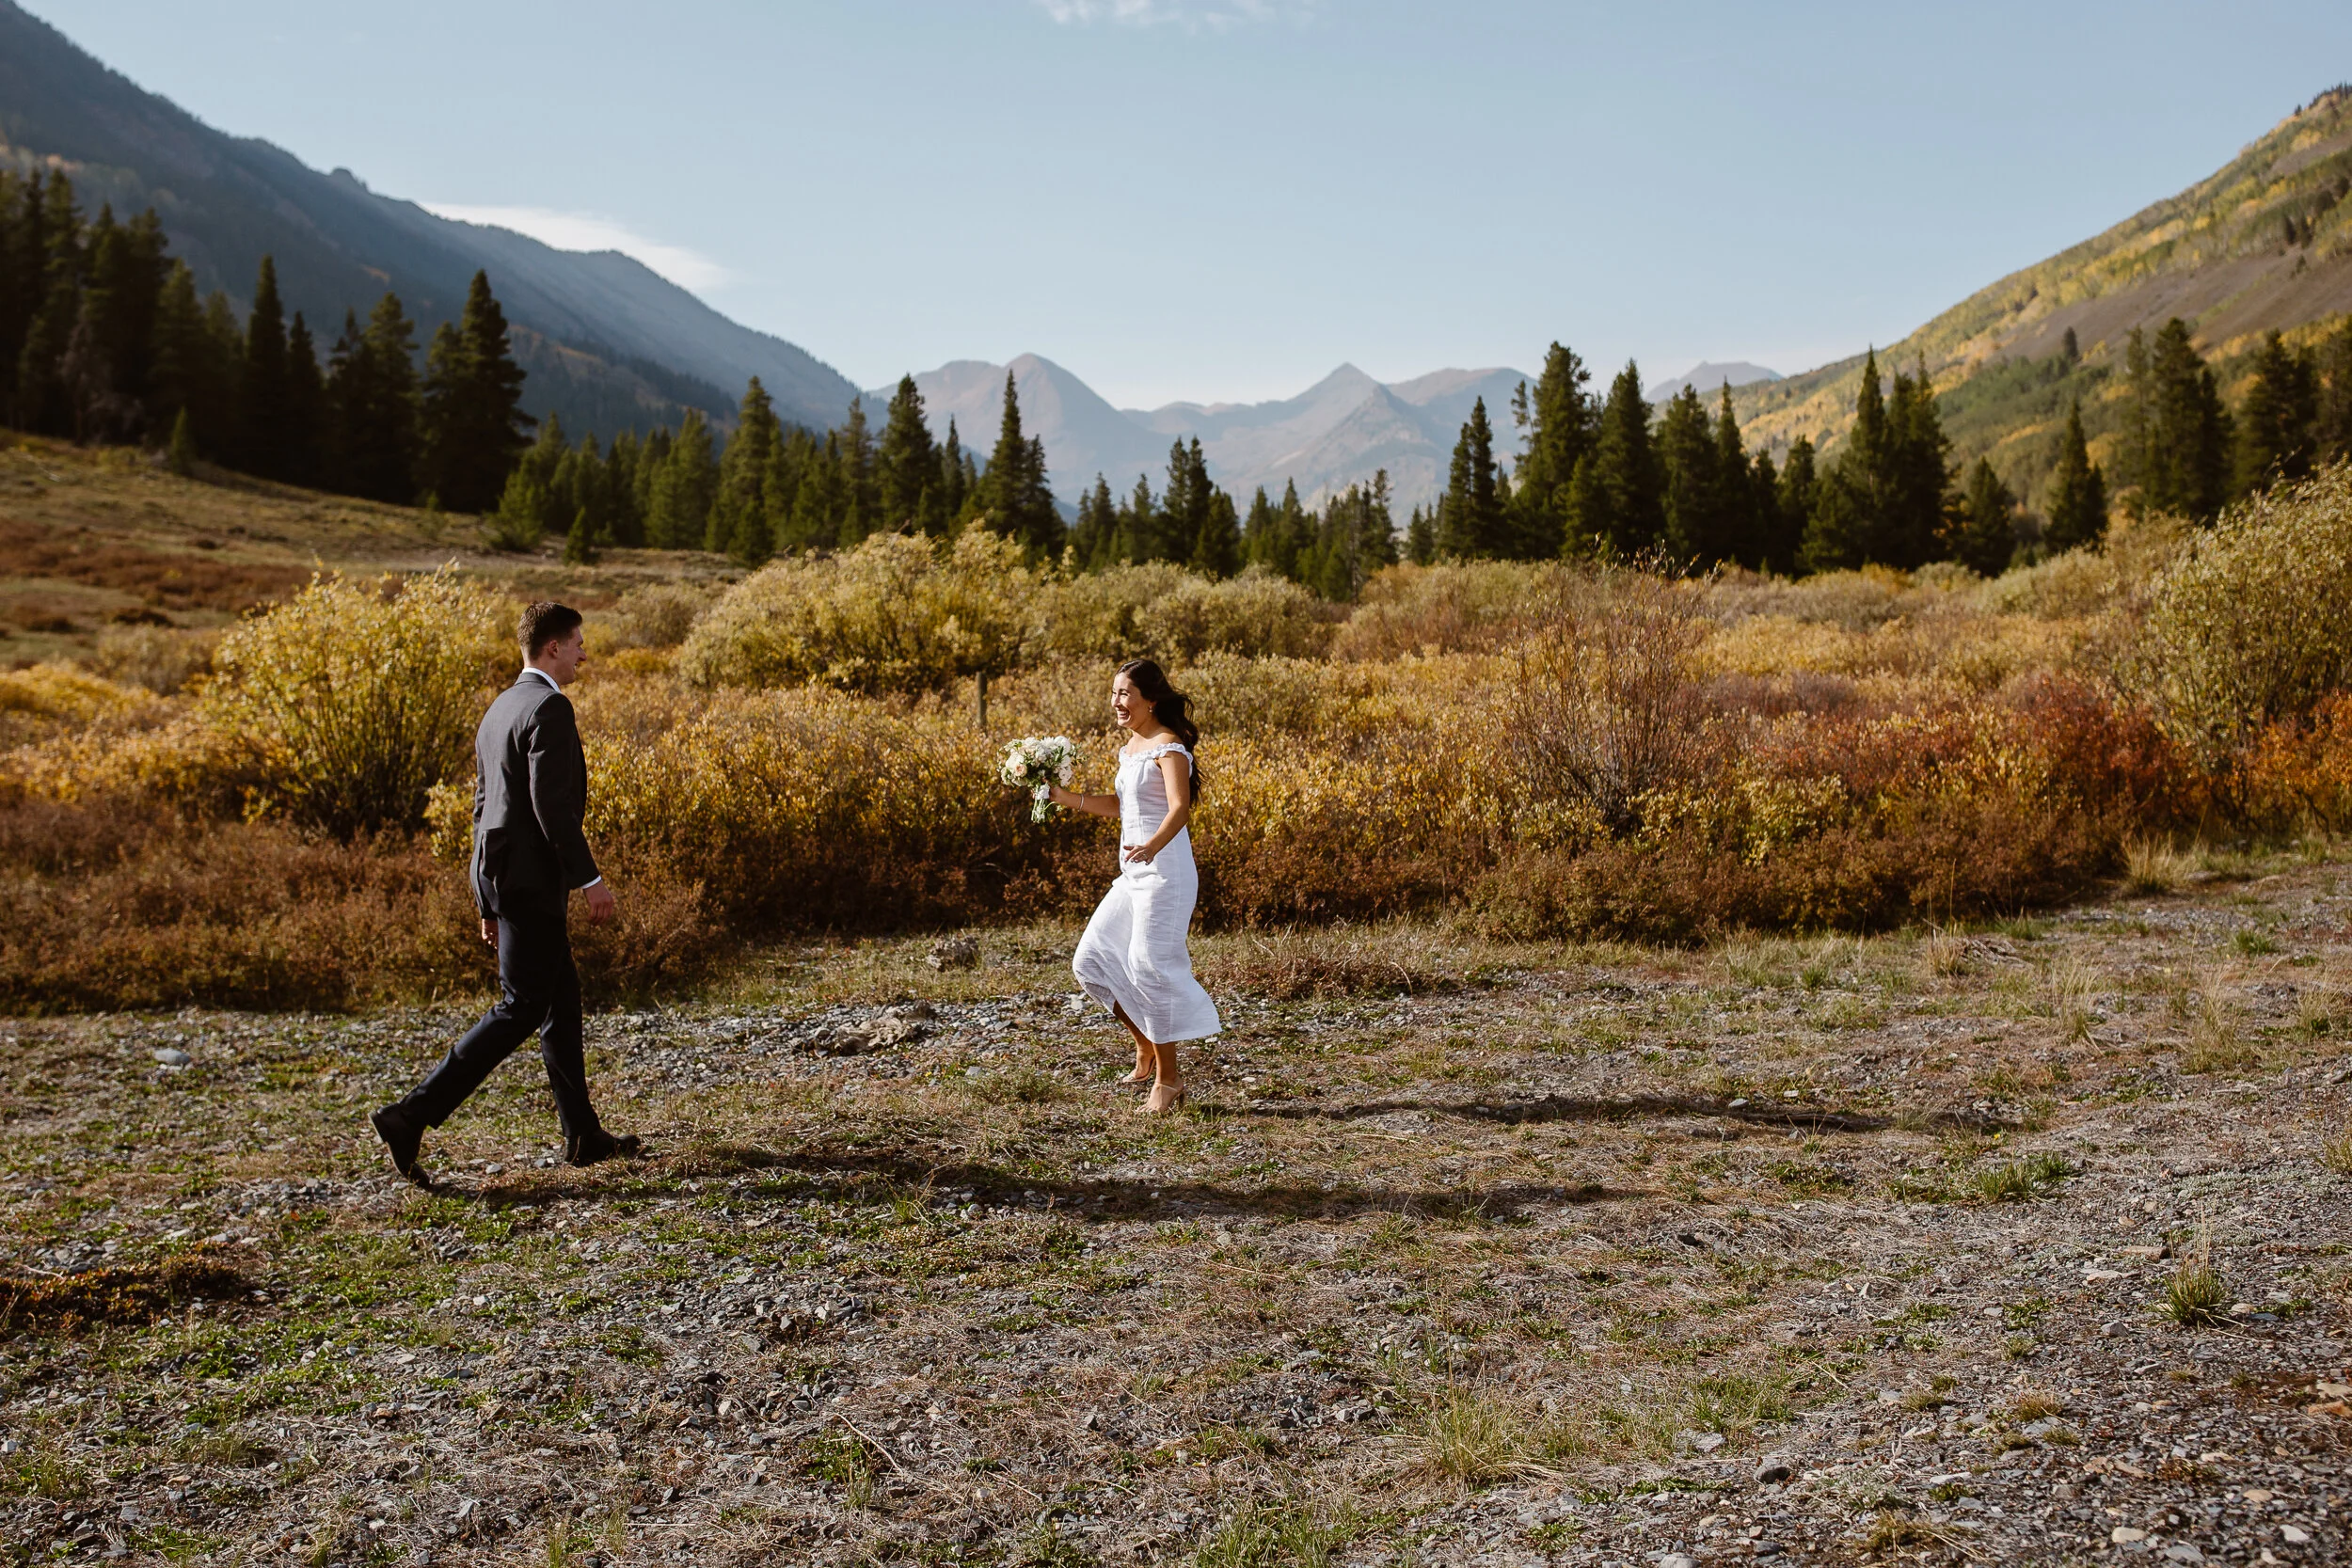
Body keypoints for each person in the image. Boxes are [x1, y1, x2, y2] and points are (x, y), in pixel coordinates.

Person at [370, 601, 640, 1182]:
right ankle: (410, 1115)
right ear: (551, 649)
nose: (583, 654)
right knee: (521, 1008)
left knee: (559, 1006)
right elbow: (552, 808)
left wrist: (484, 899)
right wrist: (589, 879)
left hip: (505, 883)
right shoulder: (550, 708)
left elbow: (480, 813)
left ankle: (583, 1135)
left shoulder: (498, 709)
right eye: (577, 644)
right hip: (534, 885)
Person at [1048, 657, 1221, 1115]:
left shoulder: (1170, 747)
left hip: (1166, 873)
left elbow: (1179, 808)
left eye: (1125, 694)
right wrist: (1065, 798)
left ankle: (1170, 1081)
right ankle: (1145, 1042)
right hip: (1134, 873)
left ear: (1151, 699)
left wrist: (1152, 845)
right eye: (1113, 693)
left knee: (1148, 965)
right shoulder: (1130, 748)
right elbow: (1123, 805)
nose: (1116, 702)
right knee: (1090, 960)